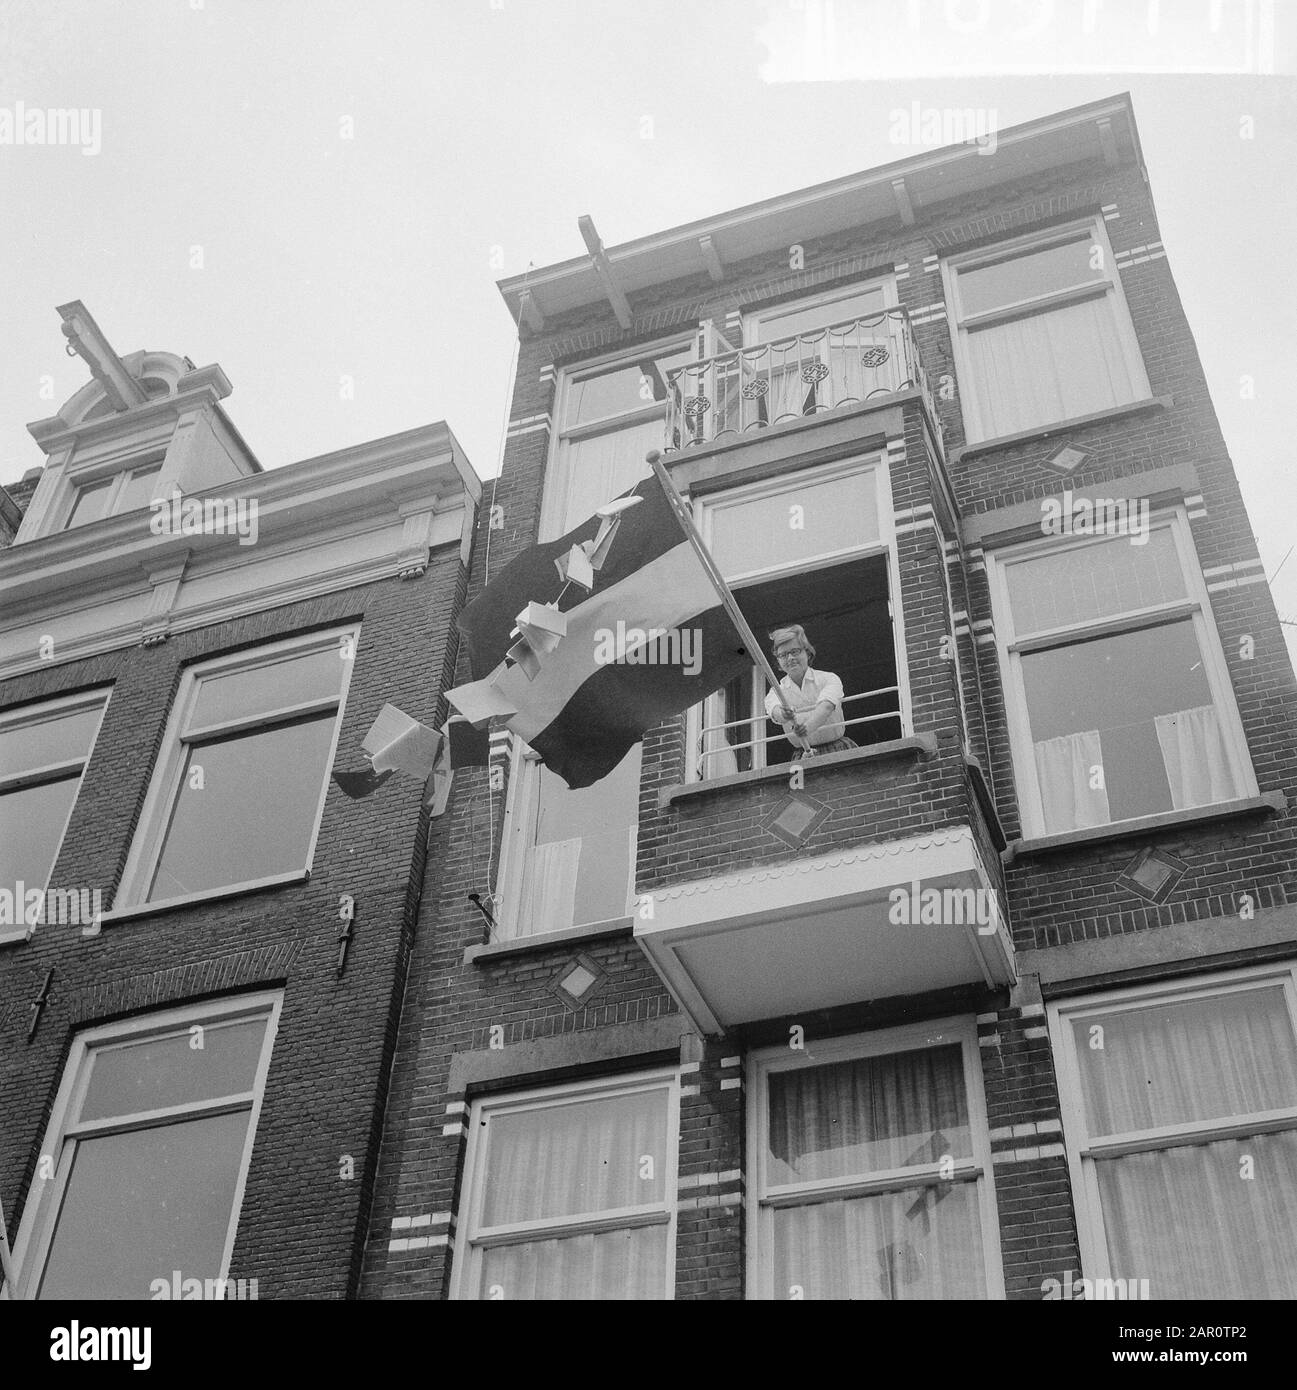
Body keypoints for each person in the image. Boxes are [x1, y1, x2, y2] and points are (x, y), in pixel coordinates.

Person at [763, 624, 857, 759]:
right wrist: (784, 713)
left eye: (794, 651)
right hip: (803, 754)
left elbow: (826, 707)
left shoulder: (829, 678)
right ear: (778, 661)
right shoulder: (775, 692)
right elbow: (775, 712)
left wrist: (806, 729)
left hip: (838, 749)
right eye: (783, 655)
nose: (790, 658)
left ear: (807, 652)